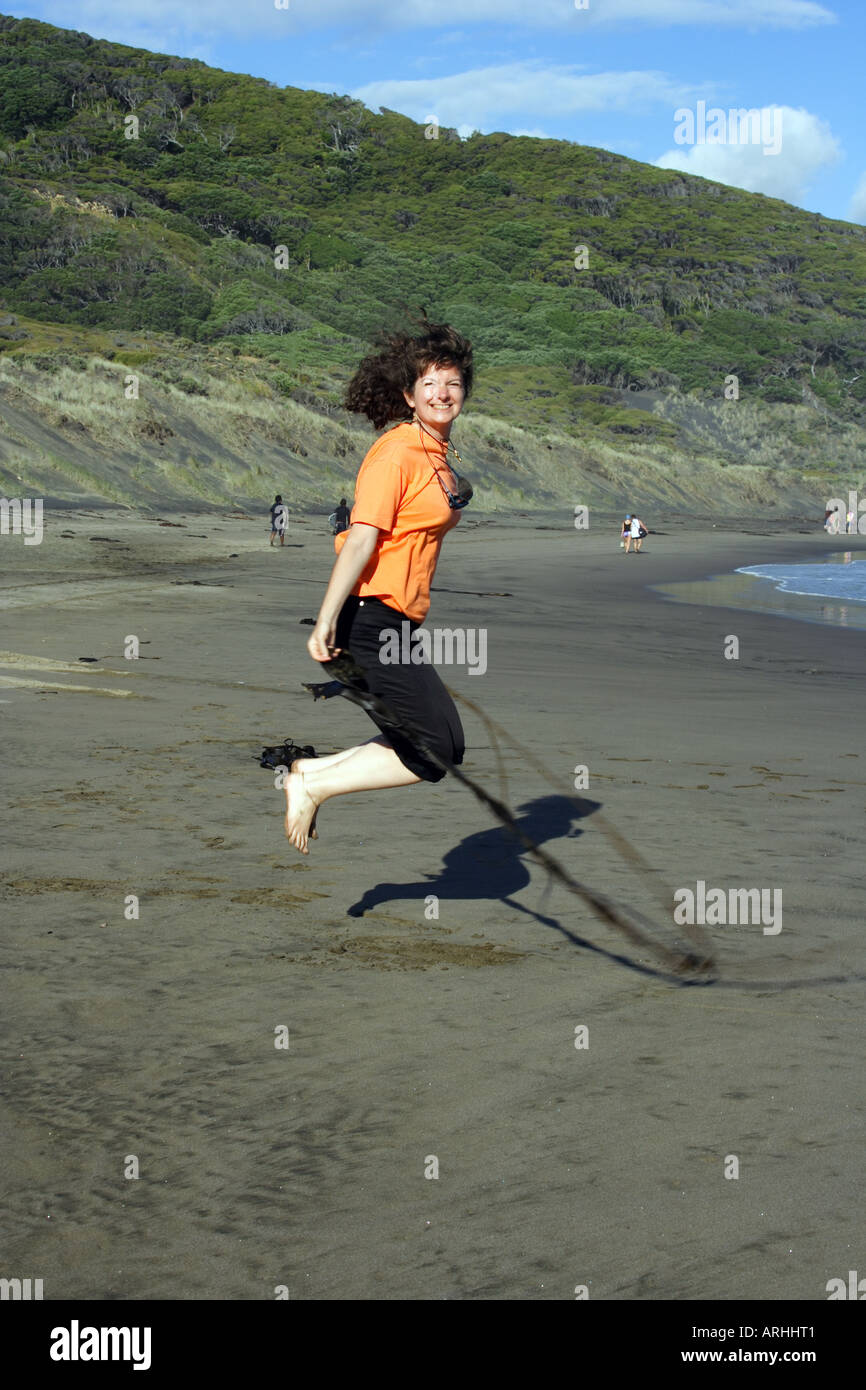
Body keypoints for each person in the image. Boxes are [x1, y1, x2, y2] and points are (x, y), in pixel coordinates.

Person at [283, 322, 473, 854]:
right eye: (429, 384)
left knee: (446, 745)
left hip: (395, 622)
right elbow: (363, 539)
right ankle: (312, 783)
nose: (442, 394)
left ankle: (310, 772)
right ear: (408, 395)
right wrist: (326, 618)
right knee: (432, 752)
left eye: (452, 384)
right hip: (366, 620)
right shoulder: (397, 452)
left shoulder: (435, 453)